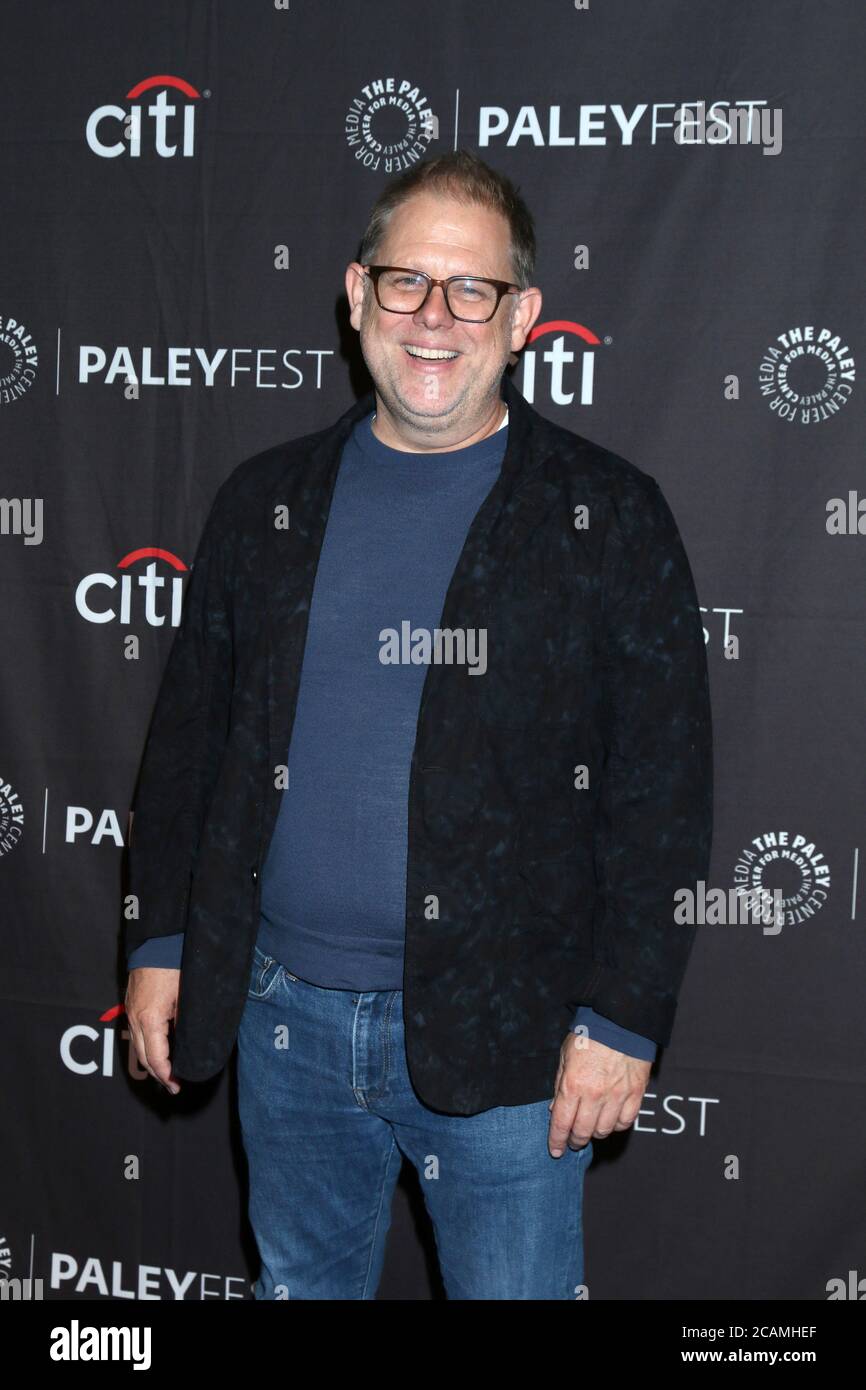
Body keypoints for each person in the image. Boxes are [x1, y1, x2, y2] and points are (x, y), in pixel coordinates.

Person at [124, 149, 713, 1300]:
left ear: (523, 314)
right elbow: (188, 741)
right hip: (279, 1023)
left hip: (509, 1042)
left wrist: (624, 1015)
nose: (434, 317)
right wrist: (158, 944)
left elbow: (662, 789)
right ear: (355, 297)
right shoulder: (262, 502)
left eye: (470, 289)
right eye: (405, 283)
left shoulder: (608, 516)